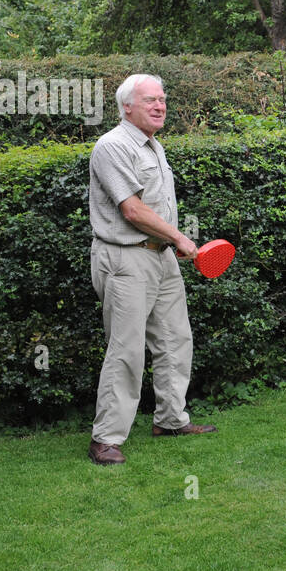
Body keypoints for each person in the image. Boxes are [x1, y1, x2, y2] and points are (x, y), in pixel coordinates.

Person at [86, 74, 216, 465]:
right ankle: (105, 439)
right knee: (126, 349)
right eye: (150, 101)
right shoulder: (112, 146)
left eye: (162, 99)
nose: (160, 106)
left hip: (160, 257)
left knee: (176, 339)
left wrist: (169, 243)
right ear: (127, 106)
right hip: (126, 259)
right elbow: (132, 209)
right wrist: (180, 238)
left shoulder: (153, 146)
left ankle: (171, 420)